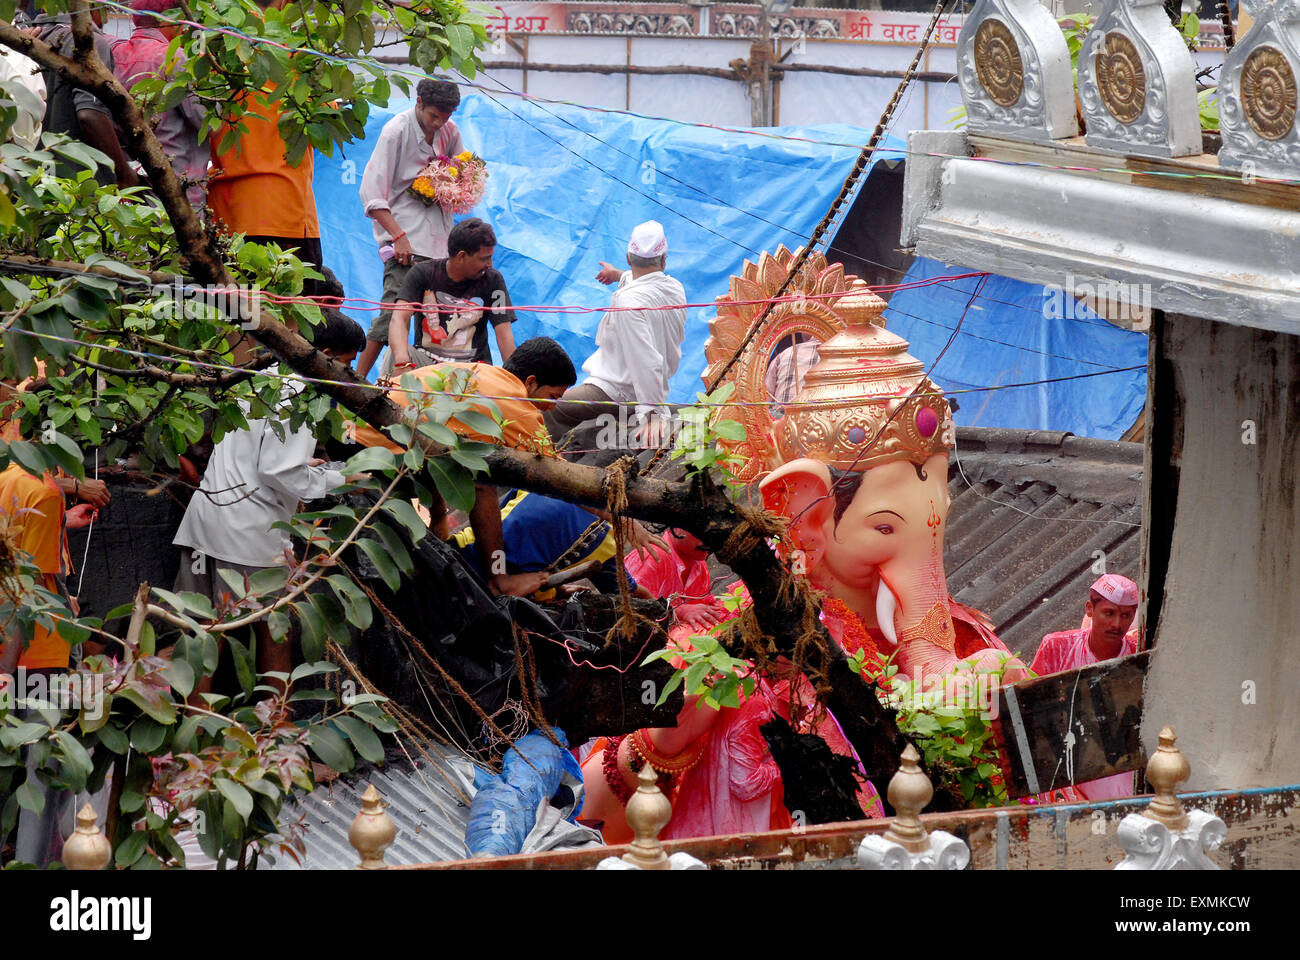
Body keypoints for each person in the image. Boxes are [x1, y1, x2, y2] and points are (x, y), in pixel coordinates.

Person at [171, 310, 364, 691]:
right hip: (247, 534)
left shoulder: (262, 379)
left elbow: (259, 453)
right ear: (325, 355)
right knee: (275, 628)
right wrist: (343, 478)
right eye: (347, 364)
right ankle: (277, 724)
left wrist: (304, 465)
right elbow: (279, 472)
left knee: (203, 631)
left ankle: (195, 726)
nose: (350, 376)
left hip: (207, 521)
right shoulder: (302, 395)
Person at [351, 336, 575, 596]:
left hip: (355, 431)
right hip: (373, 453)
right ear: (531, 382)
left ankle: (440, 528)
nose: (553, 406)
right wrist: (618, 512)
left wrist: (438, 519)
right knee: (481, 482)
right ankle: (499, 579)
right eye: (553, 396)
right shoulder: (516, 402)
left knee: (458, 459)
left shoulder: (480, 372)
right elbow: (563, 478)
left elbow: (436, 438)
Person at [0, 459, 96, 865]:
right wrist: (5, 671)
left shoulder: (15, 477)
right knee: (41, 784)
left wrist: (61, 522)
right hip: (35, 656)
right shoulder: (39, 490)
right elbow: (27, 592)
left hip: (23, 650)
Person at [207, 0, 325, 294]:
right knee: (291, 322)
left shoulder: (214, 49)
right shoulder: (299, 53)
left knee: (232, 318)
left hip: (228, 213)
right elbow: (326, 121)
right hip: (286, 212)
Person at [355, 77, 465, 379]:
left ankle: (411, 385)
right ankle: (356, 384)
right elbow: (371, 195)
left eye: (446, 116)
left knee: (432, 322)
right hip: (405, 243)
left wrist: (456, 184)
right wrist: (398, 237)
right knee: (392, 312)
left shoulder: (449, 131)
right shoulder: (396, 131)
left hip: (440, 244)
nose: (439, 123)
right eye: (434, 116)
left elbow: (464, 173)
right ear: (418, 103)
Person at [544, 220, 686, 449]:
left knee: (550, 409)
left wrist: (653, 412)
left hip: (617, 393)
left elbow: (646, 360)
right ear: (664, 260)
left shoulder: (628, 302)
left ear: (629, 259)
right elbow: (640, 279)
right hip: (643, 387)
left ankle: (537, 469)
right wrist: (615, 274)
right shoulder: (674, 288)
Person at [452, 450, 658, 601]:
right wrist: (661, 606)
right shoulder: (603, 536)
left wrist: (556, 588)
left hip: (459, 550)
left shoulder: (544, 482)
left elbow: (494, 521)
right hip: (492, 586)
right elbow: (627, 593)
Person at [1029, 573, 1141, 800]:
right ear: (1090, 609)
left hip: (1121, 764)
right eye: (1109, 613)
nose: (1117, 624)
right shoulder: (1056, 647)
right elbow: (1031, 713)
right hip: (1066, 763)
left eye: (1126, 616)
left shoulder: (1138, 652)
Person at [383, 217, 514, 378]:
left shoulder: (493, 280)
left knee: (491, 378)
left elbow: (504, 334)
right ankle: (383, 402)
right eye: (484, 258)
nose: (490, 264)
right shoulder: (423, 273)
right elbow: (399, 319)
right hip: (426, 366)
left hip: (472, 371)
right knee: (393, 355)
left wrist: (514, 380)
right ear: (462, 256)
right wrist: (402, 361)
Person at [112, 0, 207, 211]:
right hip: (176, 186)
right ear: (171, 19)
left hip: (134, 184)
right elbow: (207, 123)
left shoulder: (115, 54)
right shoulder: (173, 57)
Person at [31, 7, 139, 187]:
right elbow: (90, 115)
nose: (105, 18)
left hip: (32, 180)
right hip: (79, 186)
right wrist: (124, 174)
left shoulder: (24, 39)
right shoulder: (91, 45)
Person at [623, 526, 726, 632]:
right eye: (699, 532)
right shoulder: (652, 556)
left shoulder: (699, 563)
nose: (709, 540)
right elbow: (626, 612)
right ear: (675, 527)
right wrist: (679, 611)